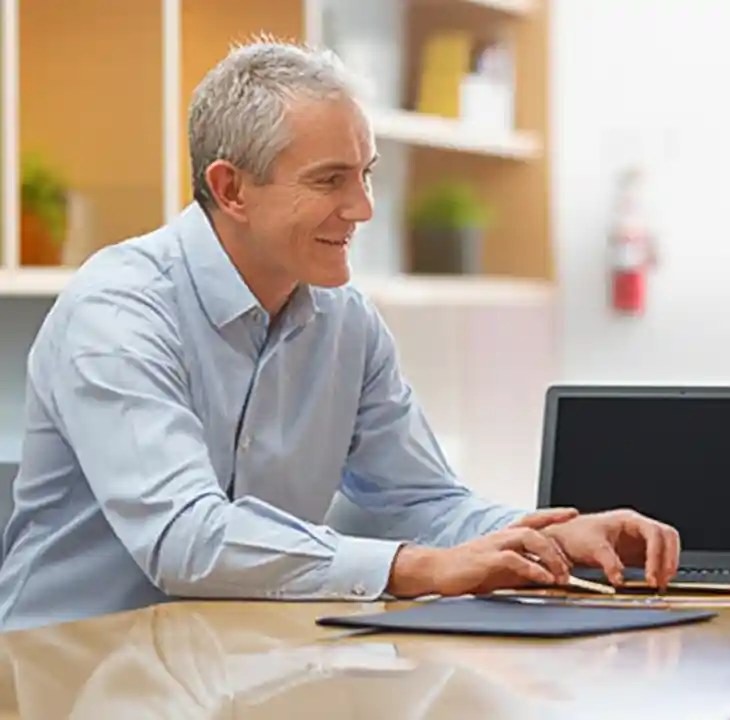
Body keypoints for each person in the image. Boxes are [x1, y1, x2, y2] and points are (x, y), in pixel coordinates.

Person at [0, 40, 679, 631]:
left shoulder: (346, 321)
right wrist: (415, 569)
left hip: (231, 668)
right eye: (330, 181)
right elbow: (187, 540)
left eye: (366, 174)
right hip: (62, 676)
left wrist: (551, 537)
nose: (363, 208)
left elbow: (422, 501)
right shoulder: (118, 311)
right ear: (231, 189)